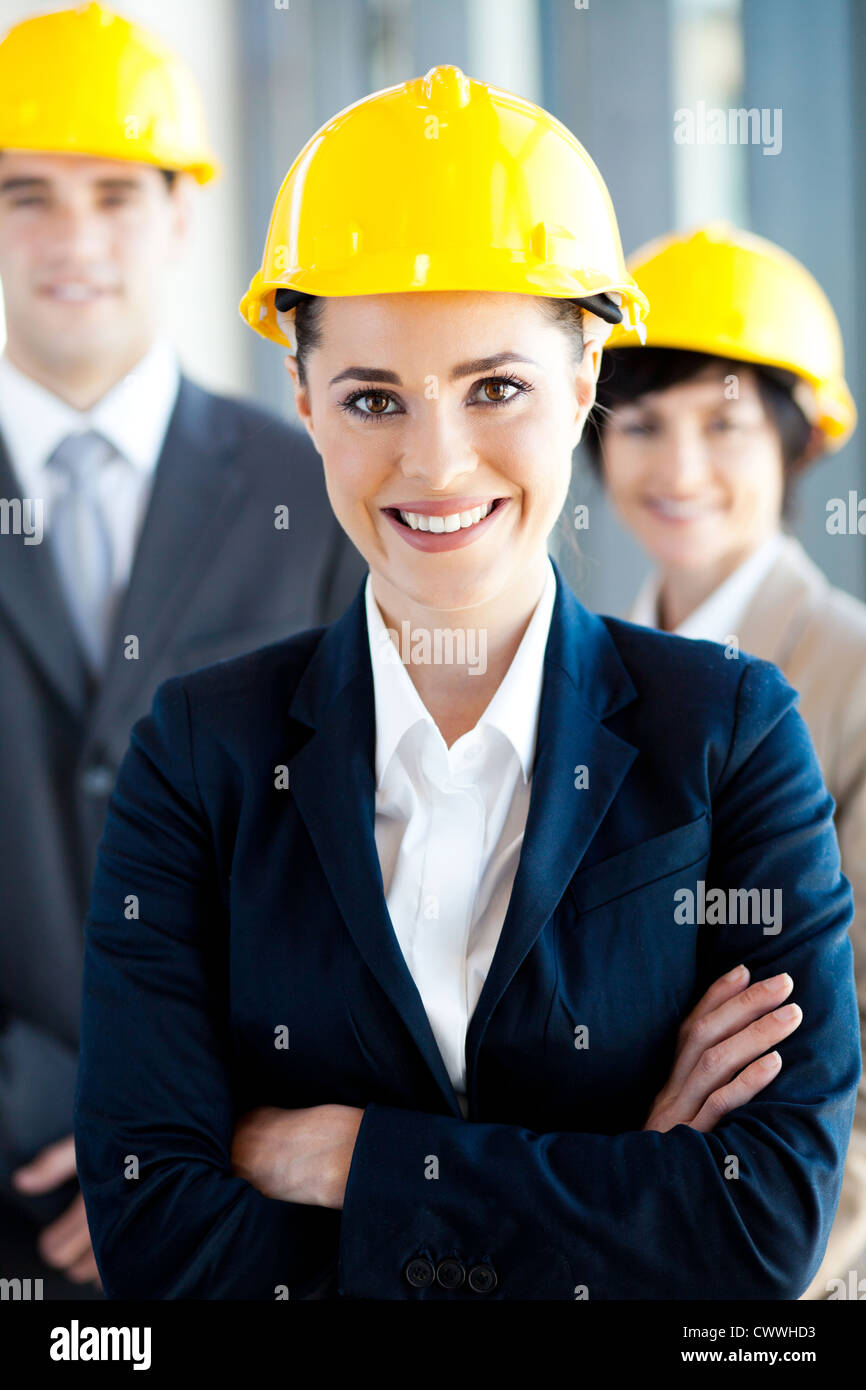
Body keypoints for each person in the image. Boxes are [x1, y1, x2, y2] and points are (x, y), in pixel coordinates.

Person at [74, 65, 859, 1300]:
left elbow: (759, 1231)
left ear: (586, 376)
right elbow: (160, 1240)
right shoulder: (199, 753)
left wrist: (360, 1162)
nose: (435, 466)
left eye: (496, 387)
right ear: (302, 403)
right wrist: (621, 1175)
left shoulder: (727, 730)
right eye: (371, 398)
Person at [0, 2, 365, 1297]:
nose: (74, 238)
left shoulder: (317, 484)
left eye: (115, 192)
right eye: (26, 195)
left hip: (239, 1185)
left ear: (179, 215)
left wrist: (169, 1132)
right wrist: (58, 1102)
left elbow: (363, 853)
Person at [582, 221, 866, 1299]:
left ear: (797, 441)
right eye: (641, 423)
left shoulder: (846, 679)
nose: (678, 468)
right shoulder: (580, 672)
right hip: (602, 1222)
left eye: (725, 424)